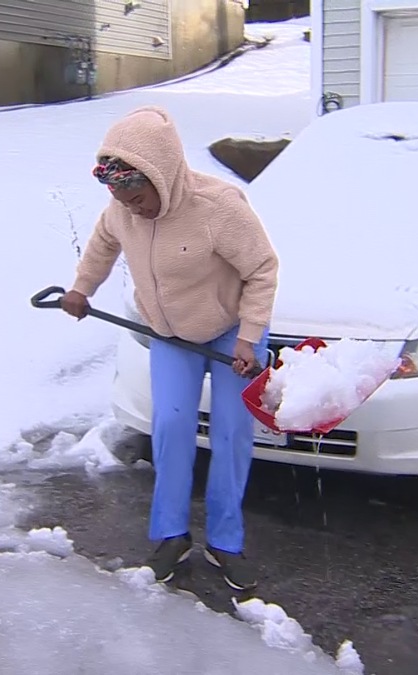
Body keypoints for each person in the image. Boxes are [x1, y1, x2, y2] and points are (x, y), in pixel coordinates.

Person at [60, 105, 279, 591]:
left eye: (139, 197)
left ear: (163, 176)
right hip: (171, 332)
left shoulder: (218, 207)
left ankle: (226, 542)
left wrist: (249, 335)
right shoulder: (121, 207)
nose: (132, 209)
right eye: (123, 200)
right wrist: (81, 289)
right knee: (172, 426)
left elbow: (262, 269)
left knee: (229, 434)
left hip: (230, 330)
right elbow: (101, 246)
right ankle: (171, 536)